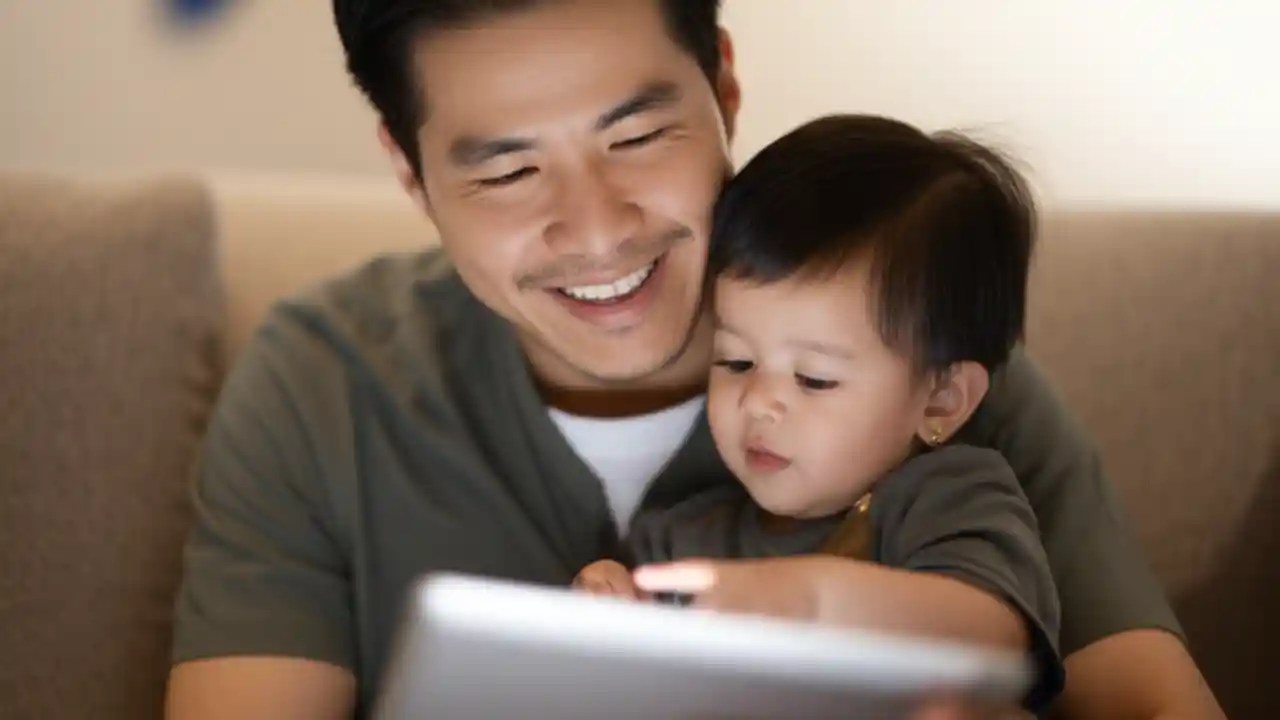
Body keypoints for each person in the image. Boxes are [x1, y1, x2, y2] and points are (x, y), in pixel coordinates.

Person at [165, 1, 1224, 719]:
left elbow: (1146, 699)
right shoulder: (318, 384)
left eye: (634, 139)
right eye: (509, 172)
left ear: (723, 84)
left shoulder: (906, 352)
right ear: (408, 170)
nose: (596, 230)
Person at [574, 114, 1063, 711]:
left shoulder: (944, 498)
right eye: (735, 361)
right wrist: (601, 606)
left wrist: (809, 601)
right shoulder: (681, 539)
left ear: (941, 400)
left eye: (814, 378)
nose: (758, 400)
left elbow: (991, 637)